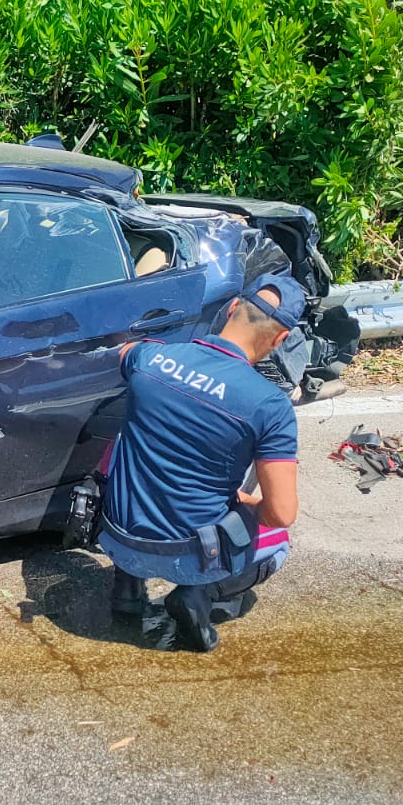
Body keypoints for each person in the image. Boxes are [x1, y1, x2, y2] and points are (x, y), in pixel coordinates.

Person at [97, 272, 303, 651]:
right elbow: (281, 514)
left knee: (125, 442)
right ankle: (199, 594)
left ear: (234, 308)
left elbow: (125, 352)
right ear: (280, 339)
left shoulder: (153, 358)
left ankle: (127, 586)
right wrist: (245, 502)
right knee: (279, 542)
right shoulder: (270, 406)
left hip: (116, 539)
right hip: (186, 557)